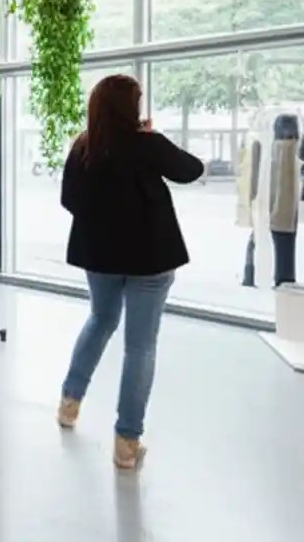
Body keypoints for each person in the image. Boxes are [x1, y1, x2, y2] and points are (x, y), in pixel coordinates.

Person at [56, 74, 203, 470]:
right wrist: (150, 140)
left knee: (100, 320)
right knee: (140, 346)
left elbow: (69, 200)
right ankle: (126, 442)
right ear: (130, 108)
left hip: (99, 256)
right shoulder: (148, 144)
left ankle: (69, 403)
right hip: (150, 257)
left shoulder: (83, 147)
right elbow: (192, 169)